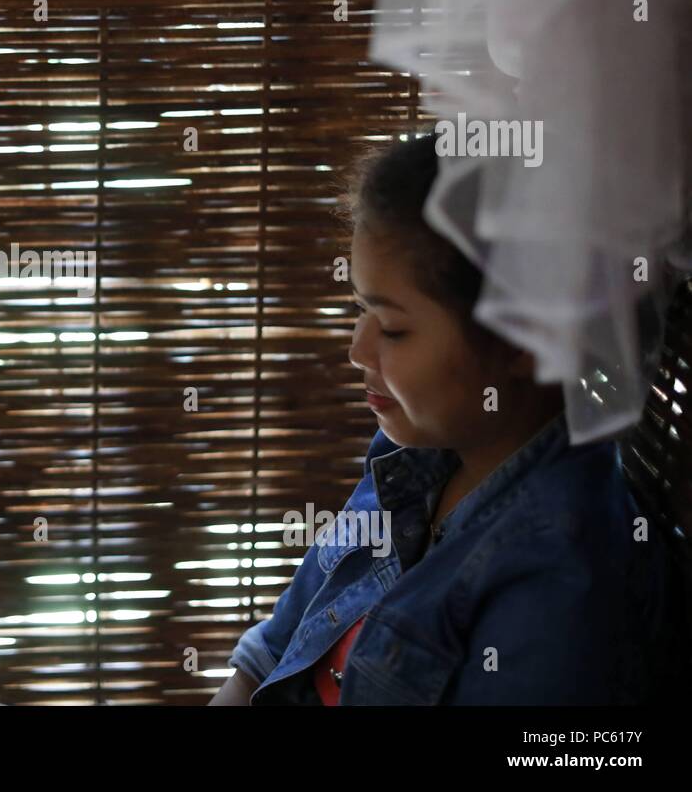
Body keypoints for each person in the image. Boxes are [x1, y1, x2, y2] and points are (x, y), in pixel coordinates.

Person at [210, 132, 689, 705]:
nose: (357, 350)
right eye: (360, 309)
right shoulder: (414, 454)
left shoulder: (561, 579)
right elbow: (276, 647)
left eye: (393, 328)